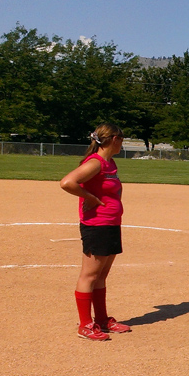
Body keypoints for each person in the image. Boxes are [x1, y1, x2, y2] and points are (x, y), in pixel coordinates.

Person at [59, 124, 131, 341]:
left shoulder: (110, 163)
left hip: (110, 223)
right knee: (89, 275)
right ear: (113, 139)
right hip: (96, 225)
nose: (123, 141)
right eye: (122, 137)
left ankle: (101, 319)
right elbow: (67, 182)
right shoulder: (95, 162)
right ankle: (85, 325)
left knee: (101, 275)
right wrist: (90, 198)